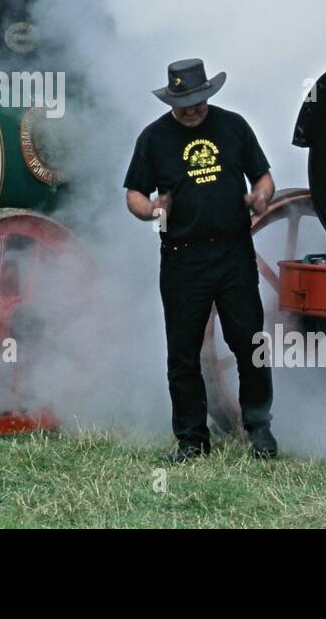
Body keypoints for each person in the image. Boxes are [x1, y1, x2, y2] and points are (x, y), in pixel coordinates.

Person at [124, 59, 277, 463]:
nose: (192, 109)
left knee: (250, 344)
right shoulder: (154, 138)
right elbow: (134, 194)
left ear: (208, 95)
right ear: (172, 100)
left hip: (233, 253)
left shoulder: (234, 126)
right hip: (182, 258)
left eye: (198, 101)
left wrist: (261, 196)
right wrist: (151, 209)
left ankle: (259, 427)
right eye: (184, 103)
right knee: (182, 353)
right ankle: (192, 440)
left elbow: (264, 178)